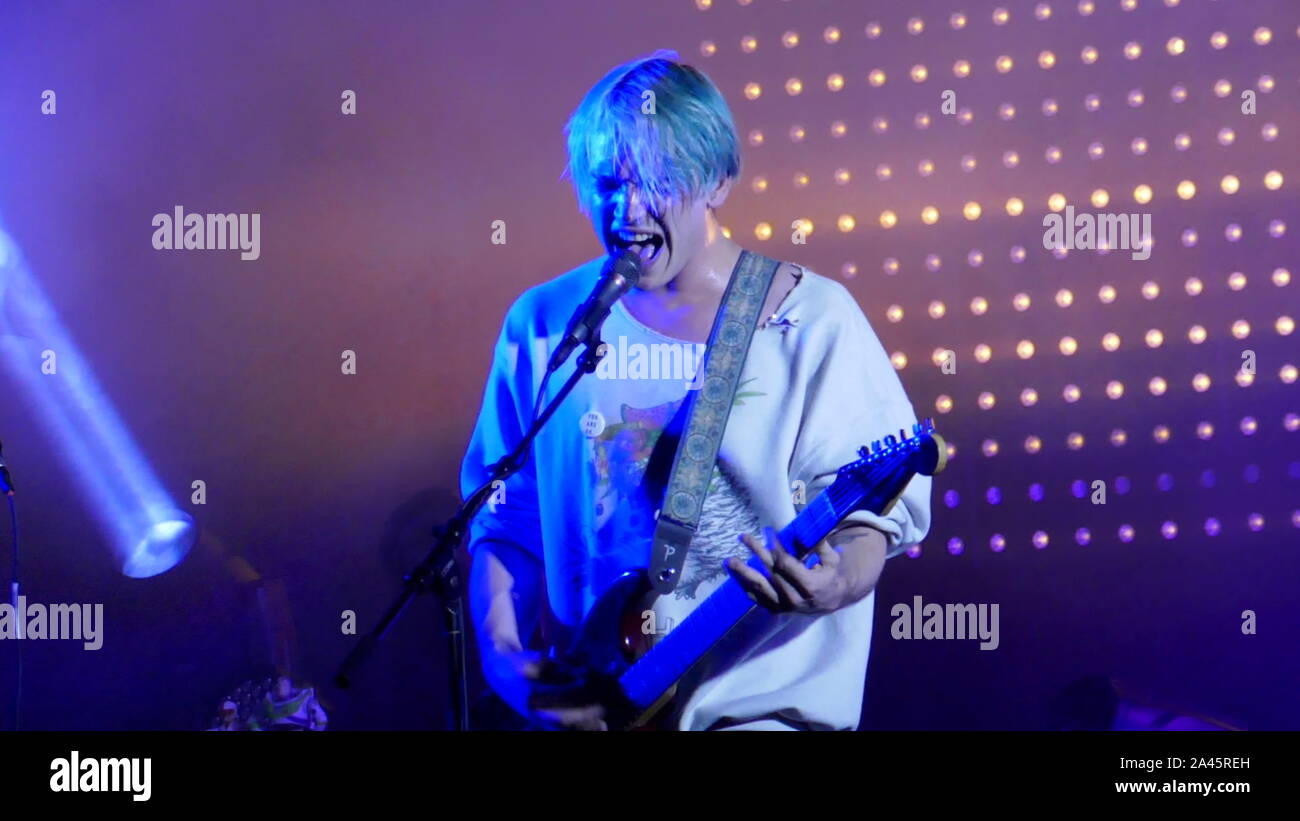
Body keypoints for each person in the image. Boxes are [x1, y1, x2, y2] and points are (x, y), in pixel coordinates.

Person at [461, 50, 931, 731]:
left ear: (716, 179)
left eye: (655, 182)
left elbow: (870, 522)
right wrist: (504, 662)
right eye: (607, 184)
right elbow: (506, 520)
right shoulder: (542, 326)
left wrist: (836, 581)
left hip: (758, 714)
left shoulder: (811, 321)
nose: (627, 209)